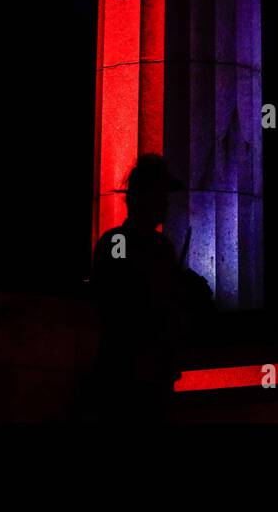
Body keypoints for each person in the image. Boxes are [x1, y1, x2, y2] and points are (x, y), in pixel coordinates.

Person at [89, 154, 191, 417]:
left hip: (154, 371)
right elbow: (114, 307)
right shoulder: (119, 244)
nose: (166, 203)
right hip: (126, 372)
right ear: (144, 198)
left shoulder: (161, 247)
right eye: (160, 195)